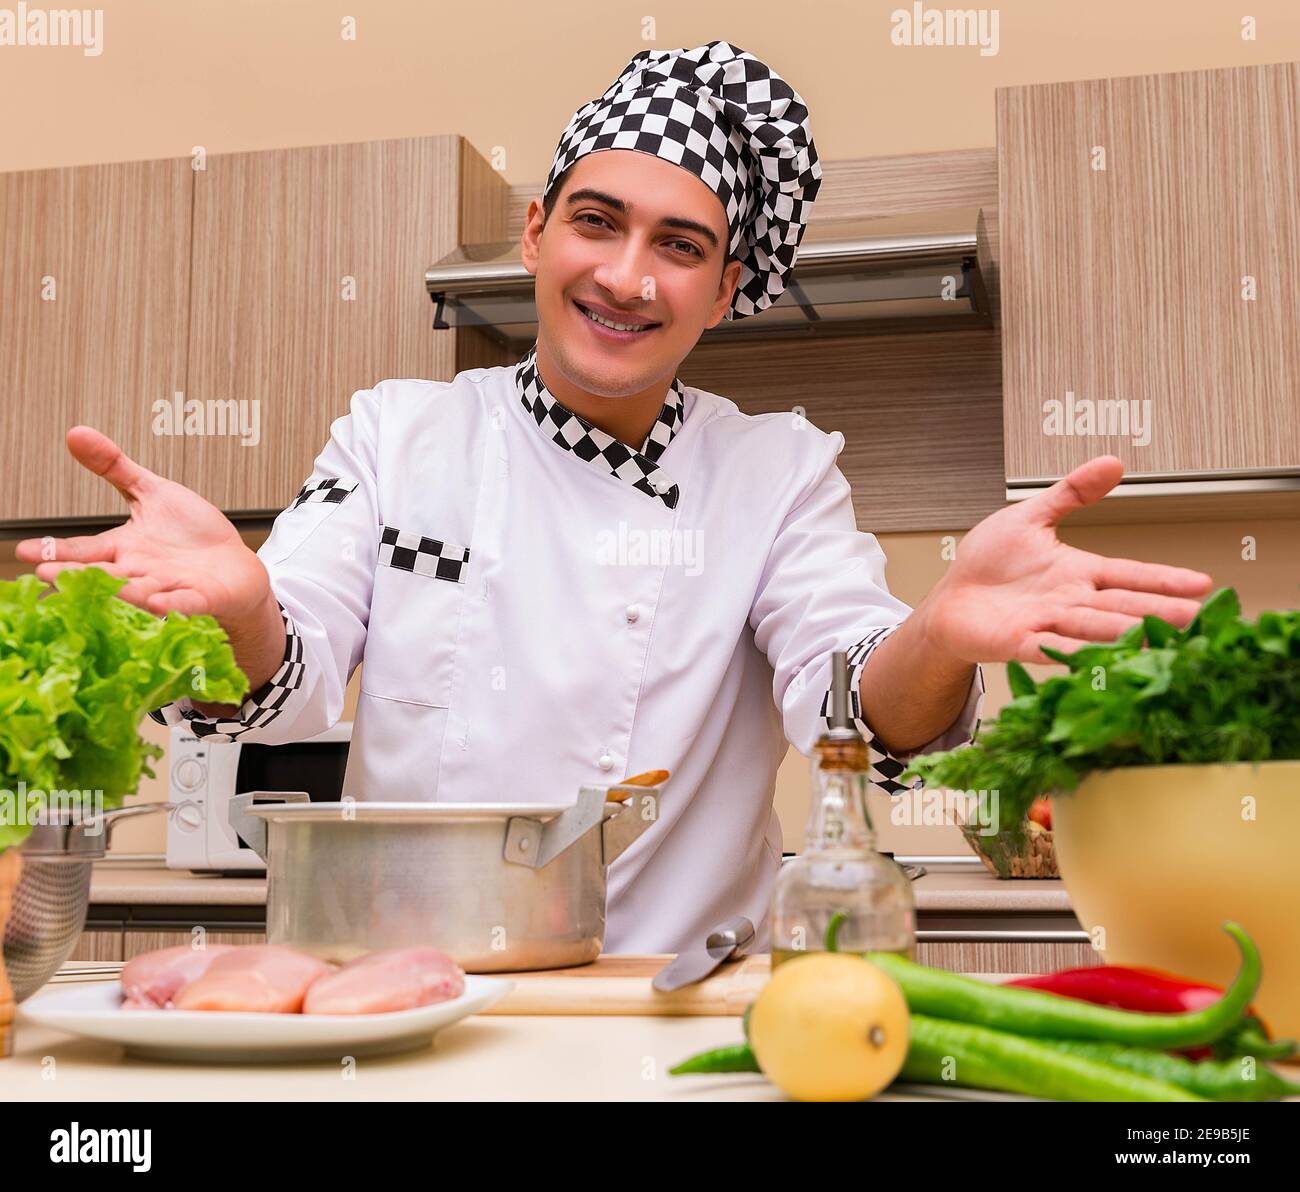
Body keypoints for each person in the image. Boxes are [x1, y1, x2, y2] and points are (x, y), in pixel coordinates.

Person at [16, 41, 1212, 953]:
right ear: (537, 234)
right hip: (400, 993)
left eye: (680, 246)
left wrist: (940, 629)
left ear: (726, 286)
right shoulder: (398, 431)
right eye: (597, 222)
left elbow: (845, 704)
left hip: (672, 1005)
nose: (627, 277)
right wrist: (240, 603)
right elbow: (297, 656)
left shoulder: (776, 471)